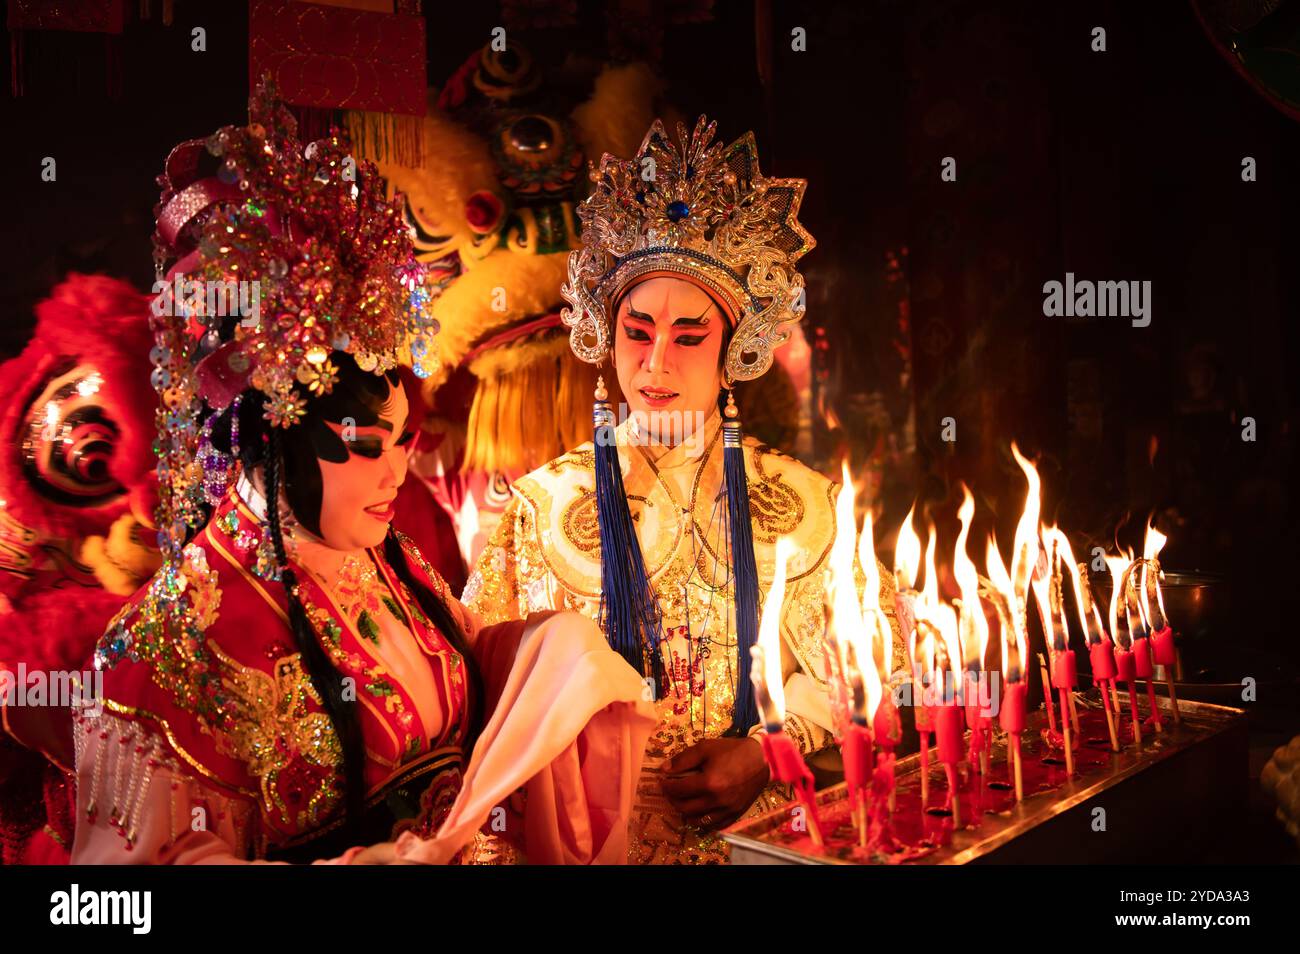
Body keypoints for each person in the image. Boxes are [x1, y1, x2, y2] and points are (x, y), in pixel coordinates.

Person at [70, 79, 654, 865]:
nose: (396, 472)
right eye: (368, 444)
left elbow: (464, 680)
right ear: (274, 437)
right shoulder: (163, 648)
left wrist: (552, 655)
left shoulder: (385, 560)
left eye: (406, 440)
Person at [465, 116, 906, 863]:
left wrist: (770, 747)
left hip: (759, 849)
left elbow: (882, 662)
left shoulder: (805, 506)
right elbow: (484, 714)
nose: (656, 364)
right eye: (637, 332)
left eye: (689, 337)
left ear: (732, 348)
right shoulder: (535, 509)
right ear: (608, 338)